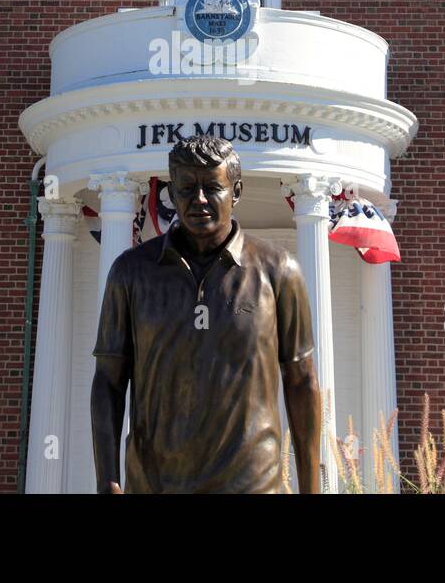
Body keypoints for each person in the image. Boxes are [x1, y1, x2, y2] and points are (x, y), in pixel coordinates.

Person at [90, 134, 322, 493]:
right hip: (156, 483)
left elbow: (302, 381)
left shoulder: (280, 271)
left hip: (253, 484)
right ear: (172, 192)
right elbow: (108, 380)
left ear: (237, 191)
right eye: (186, 187)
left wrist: (311, 488)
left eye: (212, 186)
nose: (198, 199)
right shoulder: (131, 272)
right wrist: (107, 481)